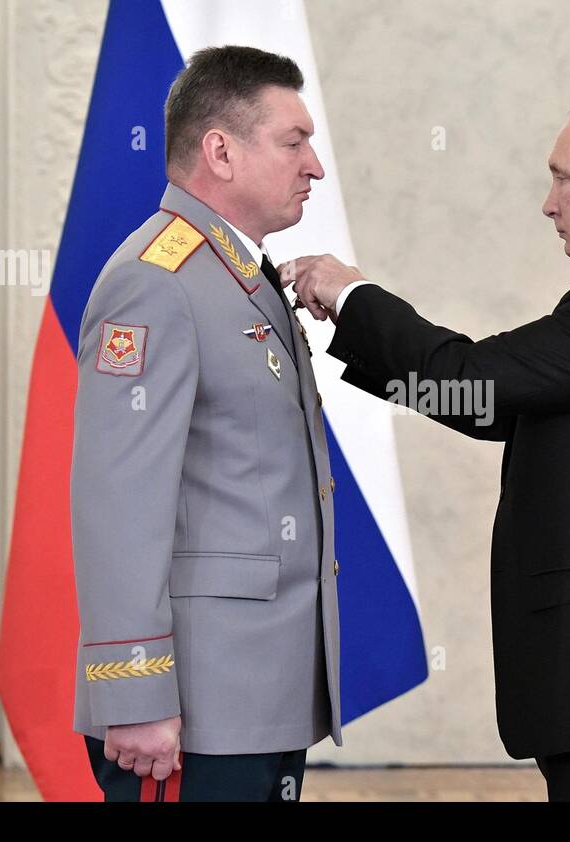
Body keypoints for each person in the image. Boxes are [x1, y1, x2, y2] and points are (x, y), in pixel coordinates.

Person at [286, 89, 570, 802]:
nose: (548, 203)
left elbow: (473, 376)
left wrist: (353, 294)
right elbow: (487, 405)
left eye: (561, 177)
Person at [70, 45, 340, 802]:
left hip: (258, 696)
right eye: (294, 142)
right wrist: (135, 694)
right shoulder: (154, 281)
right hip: (190, 708)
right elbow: (118, 504)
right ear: (220, 150)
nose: (314, 166)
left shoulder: (240, 274)